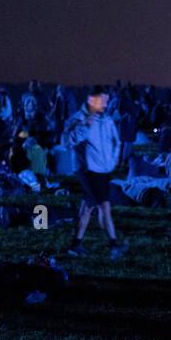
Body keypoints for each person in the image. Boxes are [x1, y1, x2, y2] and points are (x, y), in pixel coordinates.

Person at [66, 86, 123, 258]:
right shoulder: (79, 118)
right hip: (88, 171)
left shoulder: (107, 120)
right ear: (92, 100)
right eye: (103, 100)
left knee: (87, 208)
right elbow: (71, 140)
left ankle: (75, 245)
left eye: (107, 100)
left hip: (103, 170)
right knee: (104, 207)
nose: (106, 104)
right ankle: (114, 246)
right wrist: (86, 124)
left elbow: (116, 141)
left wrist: (112, 162)